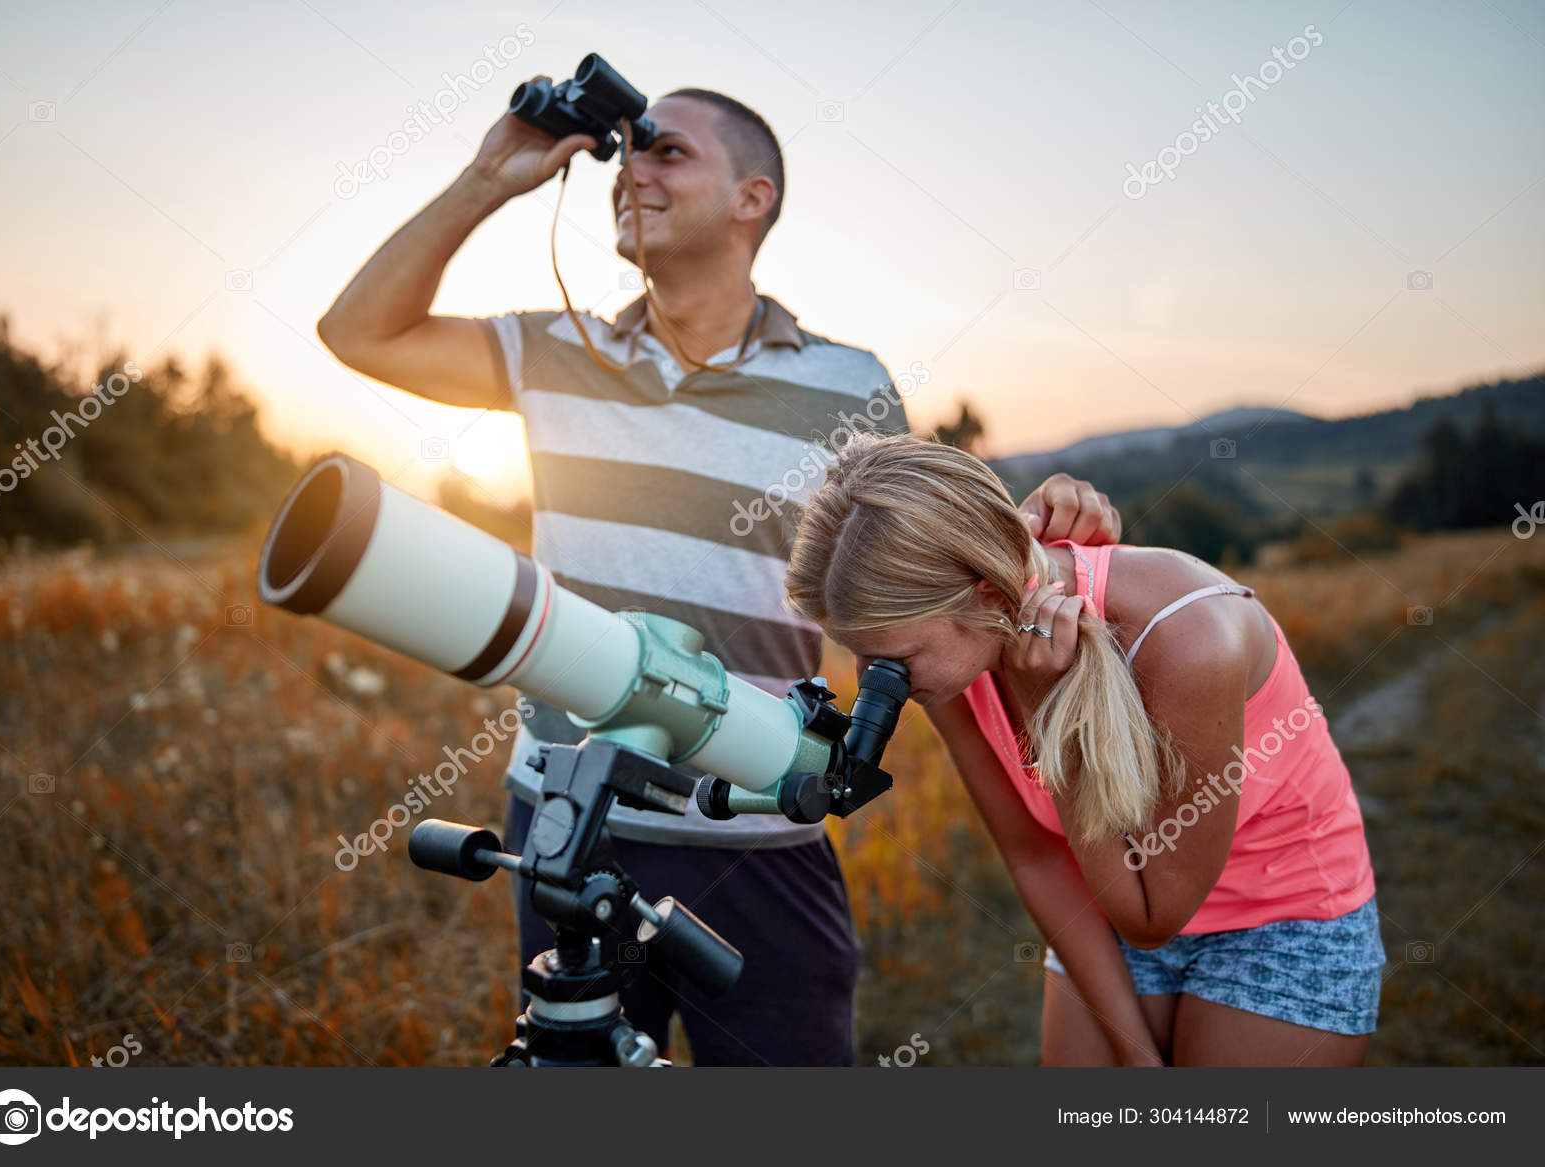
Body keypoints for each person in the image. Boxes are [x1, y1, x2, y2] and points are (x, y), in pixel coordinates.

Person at [318, 83, 1121, 1065]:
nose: (631, 172)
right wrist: (490, 178)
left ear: (752, 197)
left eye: (665, 151)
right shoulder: (555, 349)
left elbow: (920, 591)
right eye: (622, 154)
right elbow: (356, 333)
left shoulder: (846, 384)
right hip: (569, 819)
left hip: (755, 835)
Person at [783, 432, 1385, 1066]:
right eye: (860, 653)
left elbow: (1154, 916)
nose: (878, 682)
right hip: (1110, 898)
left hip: (1280, 919)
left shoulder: (1189, 639)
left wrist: (1050, 715)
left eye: (891, 660)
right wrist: (1133, 1054)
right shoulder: (947, 663)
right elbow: (1035, 853)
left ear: (988, 594)